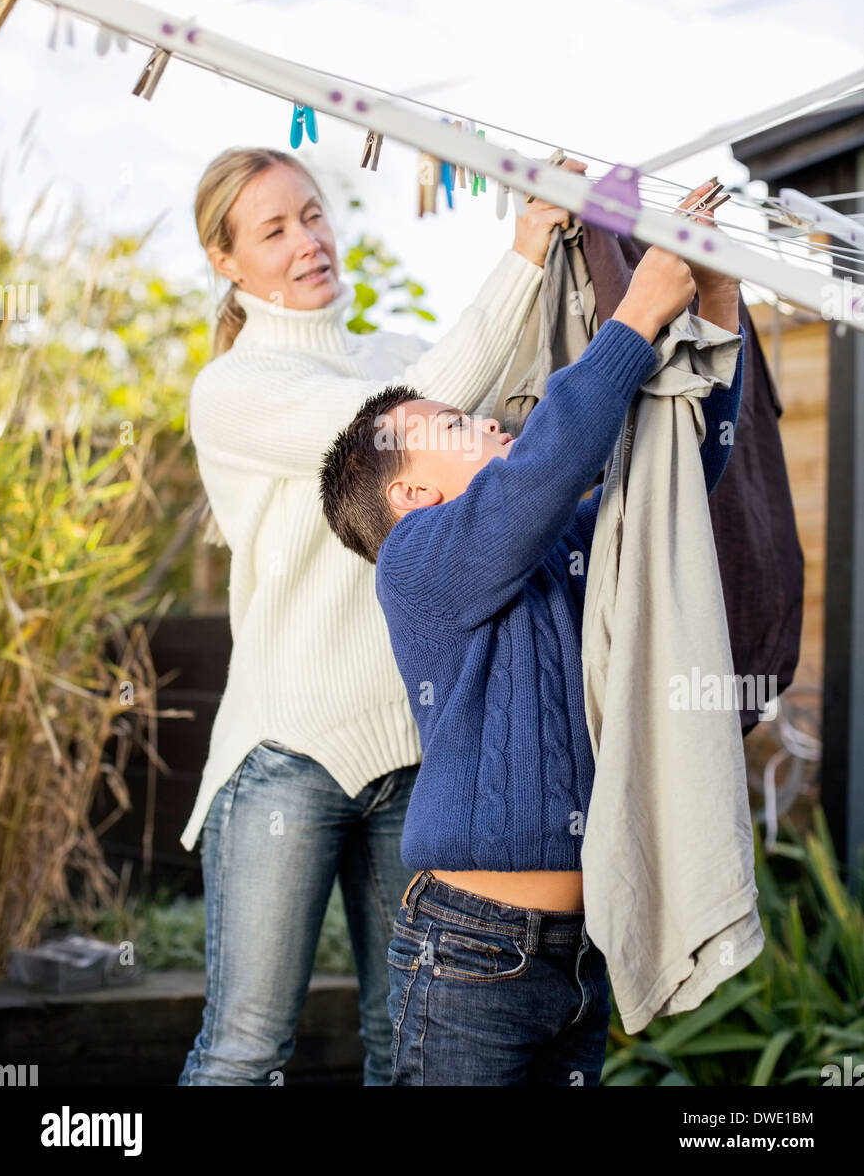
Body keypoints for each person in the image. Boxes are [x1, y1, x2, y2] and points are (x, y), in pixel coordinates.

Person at [318, 190, 745, 1085]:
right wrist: (633, 317)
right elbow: (545, 469)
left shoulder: (551, 552)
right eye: (455, 426)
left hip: (580, 956)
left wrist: (715, 296)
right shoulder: (418, 564)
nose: (487, 421)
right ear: (413, 497)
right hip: (471, 954)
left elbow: (674, 476)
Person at [177, 145, 580, 1085]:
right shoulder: (233, 389)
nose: (307, 241)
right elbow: (402, 418)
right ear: (227, 262)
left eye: (312, 214)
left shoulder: (400, 355)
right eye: (273, 230)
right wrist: (521, 247)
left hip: (411, 752)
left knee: (405, 1042)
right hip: (284, 753)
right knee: (244, 1051)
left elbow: (499, 409)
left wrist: (566, 256)